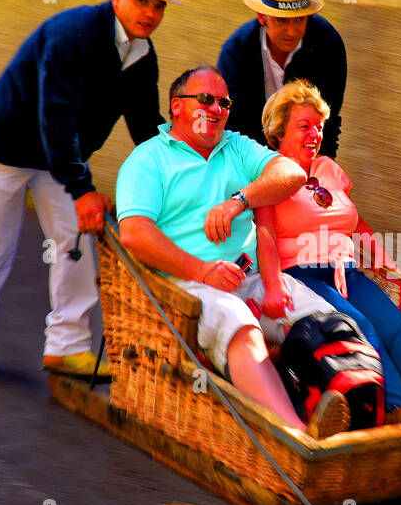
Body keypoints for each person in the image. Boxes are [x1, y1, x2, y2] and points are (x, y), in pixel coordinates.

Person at [0, 0, 171, 382]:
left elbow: (145, 124)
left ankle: (67, 347)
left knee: (78, 242)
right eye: (142, 1)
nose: (150, 13)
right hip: (4, 150)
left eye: (159, 6)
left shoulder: (142, 55)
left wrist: (180, 168)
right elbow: (56, 116)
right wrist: (83, 188)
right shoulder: (75, 35)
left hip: (57, 160)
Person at [115, 64, 352, 438]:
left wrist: (239, 201)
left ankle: (359, 417)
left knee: (326, 318)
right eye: (205, 100)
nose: (216, 109)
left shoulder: (236, 146)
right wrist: (203, 271)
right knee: (237, 320)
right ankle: (295, 437)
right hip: (187, 286)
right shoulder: (148, 159)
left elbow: (289, 173)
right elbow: (133, 234)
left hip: (250, 277)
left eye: (223, 103)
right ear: (177, 106)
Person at [254, 80, 401, 421]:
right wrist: (272, 284)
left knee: (397, 328)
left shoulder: (328, 169)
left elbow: (353, 221)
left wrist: (381, 258)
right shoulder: (270, 173)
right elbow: (262, 234)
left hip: (344, 271)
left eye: (319, 127)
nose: (314, 134)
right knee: (361, 326)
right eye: (304, 126)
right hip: (300, 275)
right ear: (279, 131)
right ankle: (399, 409)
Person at [217, 0, 348, 158]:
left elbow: (328, 116)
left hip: (309, 151)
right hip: (251, 153)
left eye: (299, 19)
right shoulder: (236, 51)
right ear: (262, 17)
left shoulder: (328, 44)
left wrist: (322, 167)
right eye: (281, 20)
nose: (292, 32)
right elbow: (234, 123)